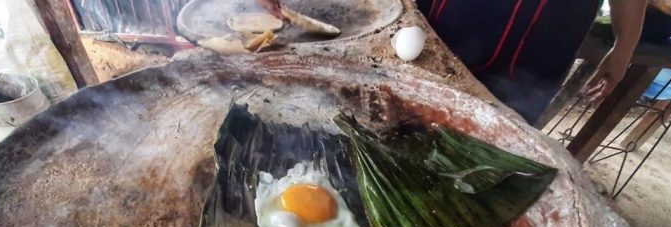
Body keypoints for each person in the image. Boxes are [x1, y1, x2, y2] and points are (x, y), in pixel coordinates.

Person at [259, 0, 648, 125]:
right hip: (438, 29)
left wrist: (625, 46)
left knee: (486, 157)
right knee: (382, 121)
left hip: (535, 55)